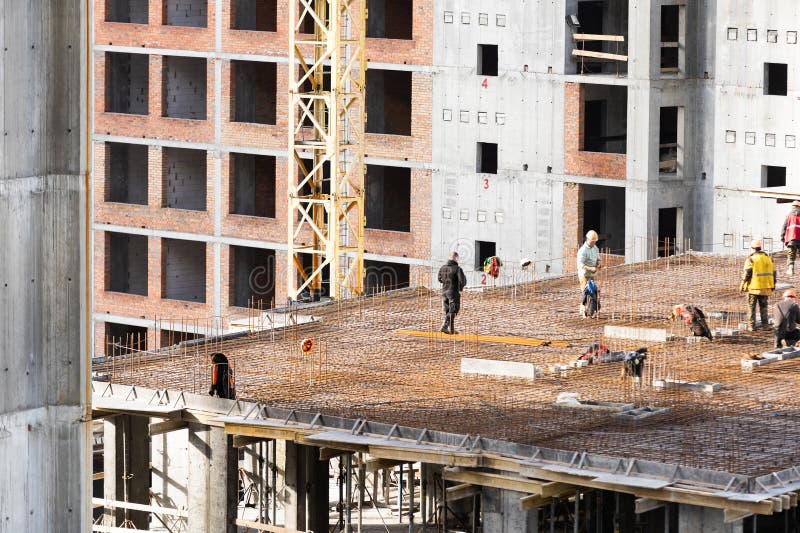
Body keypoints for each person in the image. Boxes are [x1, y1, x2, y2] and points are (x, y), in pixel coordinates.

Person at [740, 240, 776, 332]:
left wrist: (742, 284)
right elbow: (774, 273)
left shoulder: (751, 259)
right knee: (764, 307)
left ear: (752, 248)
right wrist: (773, 285)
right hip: (765, 288)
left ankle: (751, 326)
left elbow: (747, 273)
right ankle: (765, 326)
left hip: (753, 288)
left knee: (751, 307)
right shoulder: (768, 258)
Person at [437, 251, 467, 334]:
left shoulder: (442, 267)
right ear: (456, 258)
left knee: (448, 311)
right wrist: (460, 288)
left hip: (444, 292)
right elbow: (462, 281)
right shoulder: (457, 269)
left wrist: (446, 283)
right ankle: (444, 326)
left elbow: (439, 279)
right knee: (453, 310)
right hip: (453, 292)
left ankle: (452, 330)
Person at [577, 230, 601, 316]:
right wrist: (590, 268)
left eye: (595, 241)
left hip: (592, 275)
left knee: (593, 291)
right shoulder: (582, 251)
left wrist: (598, 265)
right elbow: (581, 264)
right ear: (588, 240)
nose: (594, 243)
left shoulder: (595, 248)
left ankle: (590, 310)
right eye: (592, 241)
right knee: (586, 292)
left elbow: (598, 259)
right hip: (584, 275)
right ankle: (583, 311)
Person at [781, 200, 800, 275]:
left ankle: (790, 269)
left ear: (792, 207)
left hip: (791, 239)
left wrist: (782, 237)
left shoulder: (788, 216)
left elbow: (784, 227)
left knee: (791, 254)